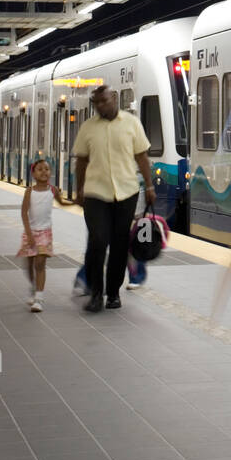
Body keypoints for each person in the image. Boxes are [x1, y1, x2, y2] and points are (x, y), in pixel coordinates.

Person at [73, 86, 155, 312]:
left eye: (104, 101)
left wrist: (149, 185)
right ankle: (96, 294)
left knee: (119, 245)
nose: (100, 106)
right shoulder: (88, 128)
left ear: (114, 99)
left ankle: (113, 293)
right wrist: (78, 190)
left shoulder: (131, 123)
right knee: (97, 241)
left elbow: (141, 157)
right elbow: (81, 161)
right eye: (96, 102)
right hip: (95, 193)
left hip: (126, 192)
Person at [17, 158, 71, 312]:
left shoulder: (53, 190)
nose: (44, 172)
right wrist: (28, 233)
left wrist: (77, 203)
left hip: (45, 233)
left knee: (40, 264)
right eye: (40, 169)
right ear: (33, 174)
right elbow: (24, 213)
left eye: (47, 169)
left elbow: (62, 203)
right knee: (29, 265)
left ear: (51, 173)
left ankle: (39, 298)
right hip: (31, 232)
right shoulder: (29, 191)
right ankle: (33, 287)